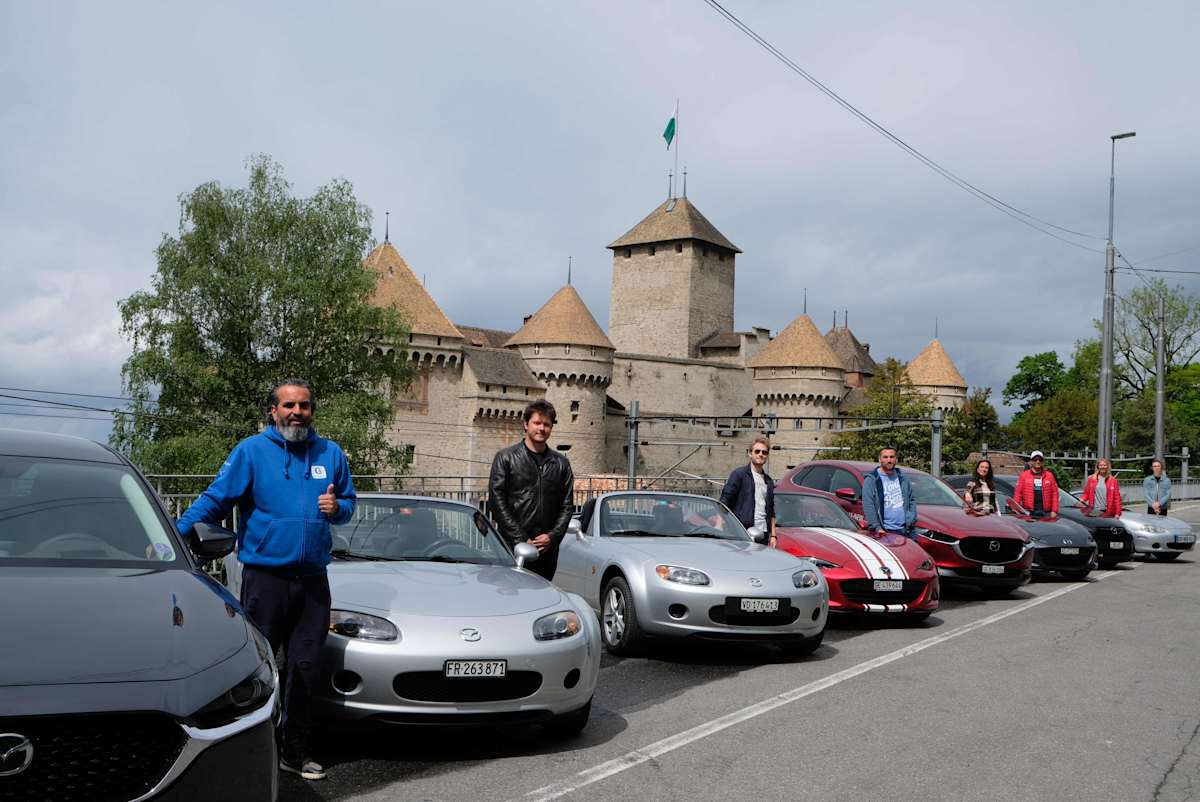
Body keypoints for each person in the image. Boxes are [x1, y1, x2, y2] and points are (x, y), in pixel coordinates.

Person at [176, 379, 356, 782]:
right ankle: (248, 751)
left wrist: (337, 506)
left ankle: (295, 751)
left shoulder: (330, 453)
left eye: (305, 406)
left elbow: (348, 504)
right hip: (265, 578)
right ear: (273, 412)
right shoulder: (252, 451)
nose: (297, 412)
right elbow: (215, 500)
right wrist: (173, 534)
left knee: (306, 668)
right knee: (256, 668)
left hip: (312, 581)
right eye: (289, 405)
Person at [487, 399, 575, 581]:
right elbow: (497, 502)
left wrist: (552, 537)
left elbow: (567, 506)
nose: (541, 428)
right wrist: (520, 538)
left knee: (543, 598)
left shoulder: (561, 464)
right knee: (510, 597)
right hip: (512, 547)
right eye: (537, 423)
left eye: (547, 424)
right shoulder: (506, 458)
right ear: (526, 424)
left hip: (547, 551)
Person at [719, 436, 777, 547]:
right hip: (742, 532)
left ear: (767, 456)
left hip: (763, 534)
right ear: (750, 453)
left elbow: (771, 510)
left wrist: (773, 536)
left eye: (764, 452)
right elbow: (724, 502)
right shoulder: (739, 475)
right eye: (757, 451)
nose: (761, 454)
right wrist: (719, 527)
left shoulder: (769, 481)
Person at [861, 446, 917, 538]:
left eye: (891, 457)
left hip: (905, 530)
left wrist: (911, 518)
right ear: (879, 459)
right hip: (884, 531)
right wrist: (877, 527)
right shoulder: (872, 480)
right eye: (885, 457)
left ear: (896, 459)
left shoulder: (903, 478)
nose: (889, 460)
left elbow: (911, 500)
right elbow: (868, 505)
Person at [1013, 450, 1058, 518]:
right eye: (1035, 459)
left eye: (1040, 459)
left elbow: (1055, 493)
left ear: (1043, 461)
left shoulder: (1049, 475)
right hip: (1029, 512)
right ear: (1031, 461)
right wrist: (1016, 509)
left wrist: (1054, 511)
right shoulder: (1024, 475)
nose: (1038, 461)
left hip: (1047, 513)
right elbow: (1018, 493)